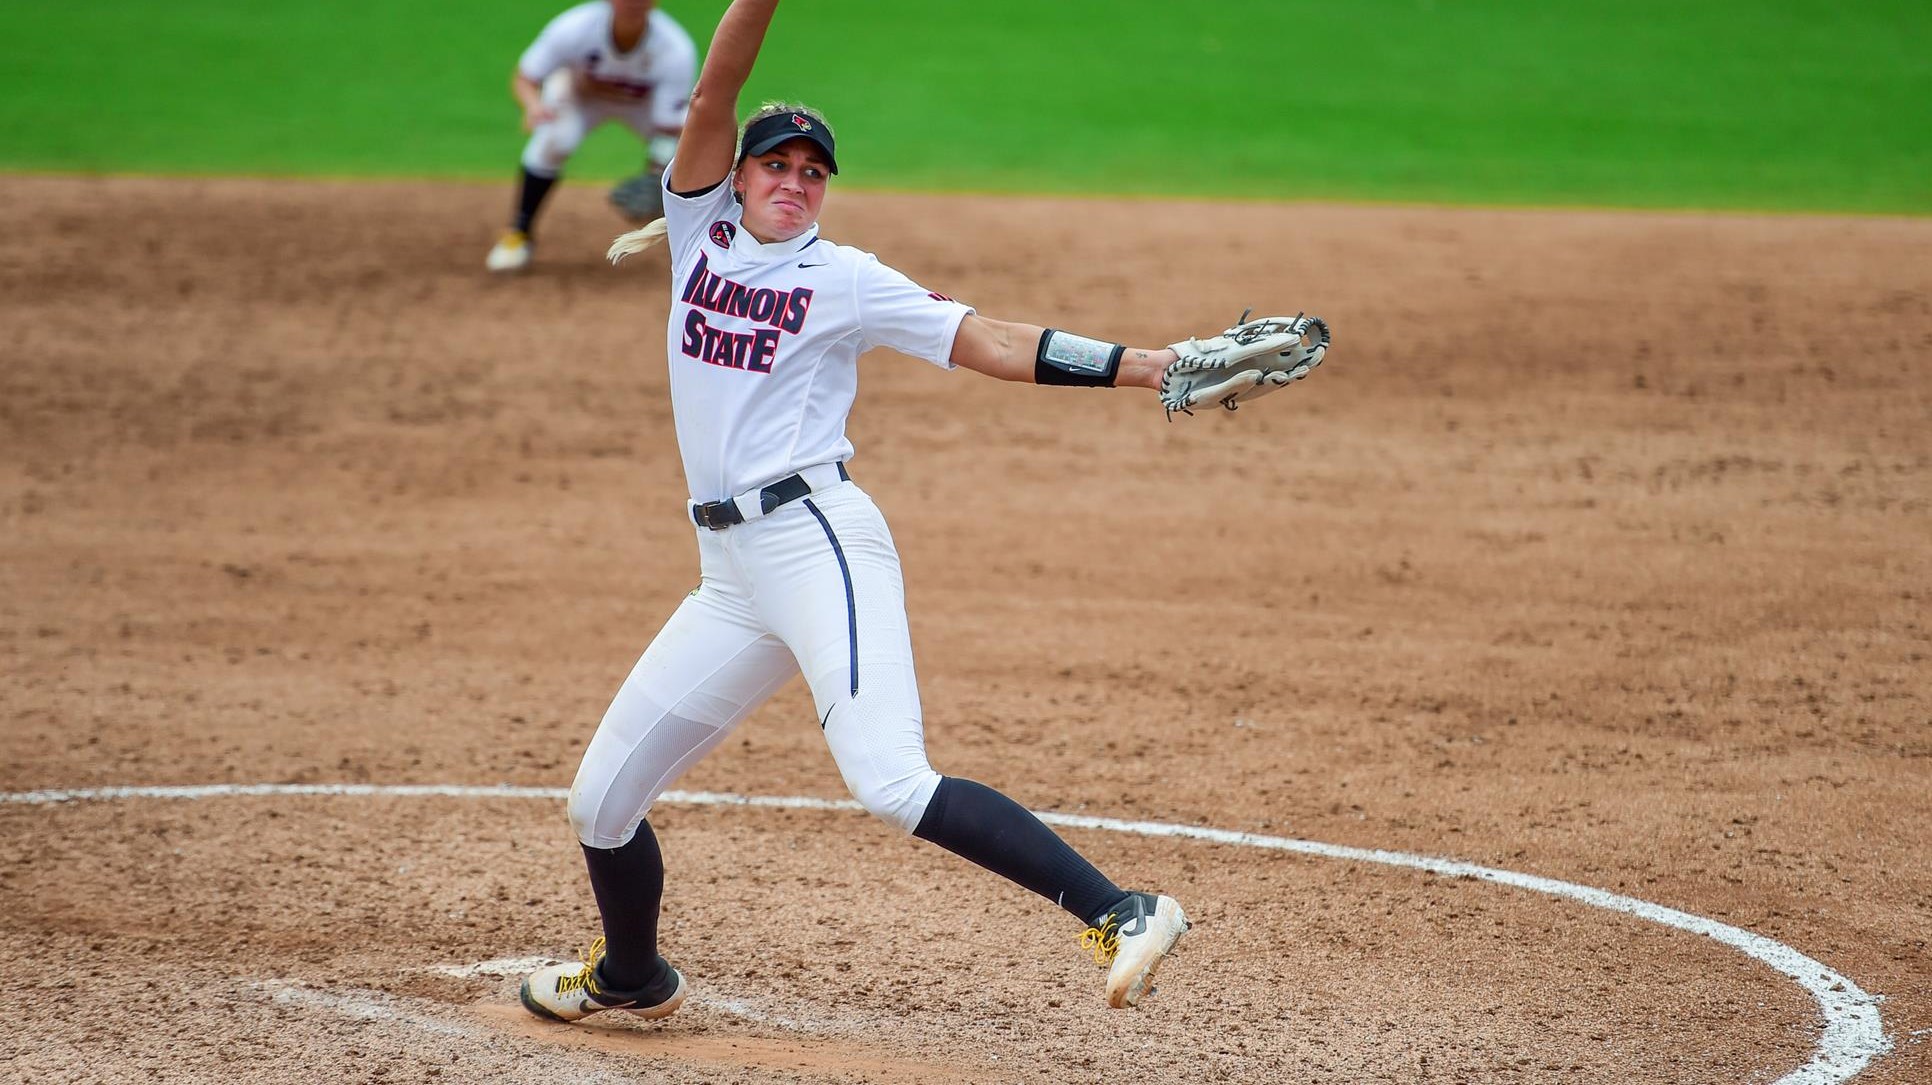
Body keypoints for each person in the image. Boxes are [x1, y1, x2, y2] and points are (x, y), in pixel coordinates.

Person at [517, 0, 1206, 1023]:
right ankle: (632, 975)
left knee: (889, 778)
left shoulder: (844, 279)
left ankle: (1124, 908)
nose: (795, 181)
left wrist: (1143, 367)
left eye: (813, 172)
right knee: (600, 802)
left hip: (816, 538)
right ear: (735, 178)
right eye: (777, 165)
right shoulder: (698, 230)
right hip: (730, 574)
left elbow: (989, 340)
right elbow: (714, 89)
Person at [485, 0, 698, 273]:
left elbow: (669, 123)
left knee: (687, 145)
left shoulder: (674, 48)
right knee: (554, 140)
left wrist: (659, 175)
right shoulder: (575, 27)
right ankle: (518, 233)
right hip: (578, 96)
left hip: (641, 106)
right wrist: (534, 106)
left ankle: (695, 243)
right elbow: (525, 77)